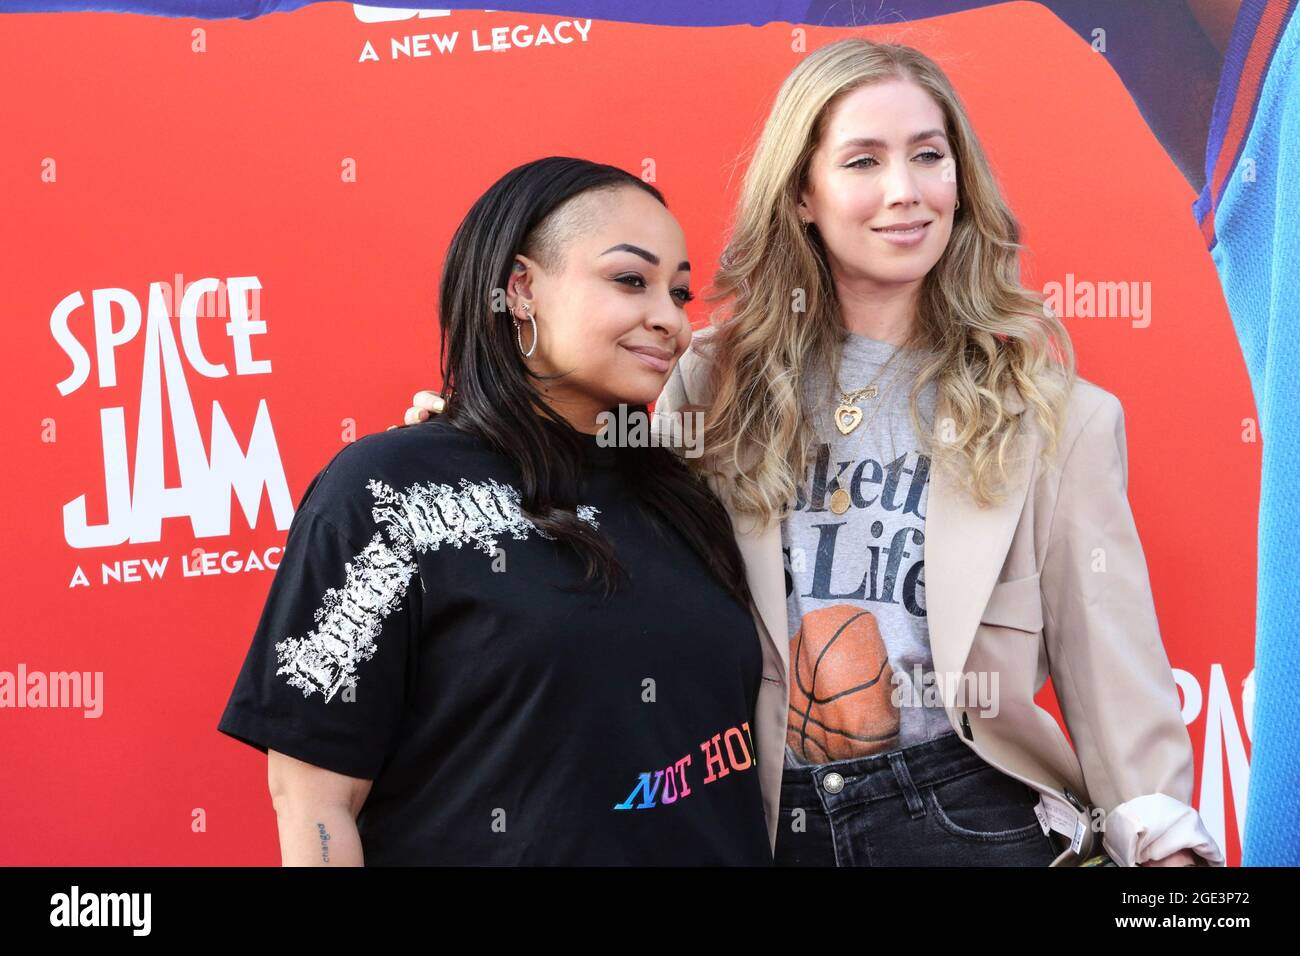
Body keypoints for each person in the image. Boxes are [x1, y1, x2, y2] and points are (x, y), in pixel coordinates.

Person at [405, 39, 1225, 867]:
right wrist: (482, 442)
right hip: (751, 817)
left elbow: (1113, 676)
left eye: (928, 157)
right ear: (803, 194)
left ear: (959, 181)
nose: (904, 192)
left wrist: (1174, 868)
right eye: (863, 161)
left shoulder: (1057, 418)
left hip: (963, 814)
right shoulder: (709, 381)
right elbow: (603, 523)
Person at [217, 156, 773, 865]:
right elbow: (314, 802)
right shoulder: (387, 492)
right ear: (521, 289)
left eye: (681, 293)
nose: (670, 320)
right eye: (630, 280)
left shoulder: (687, 494)